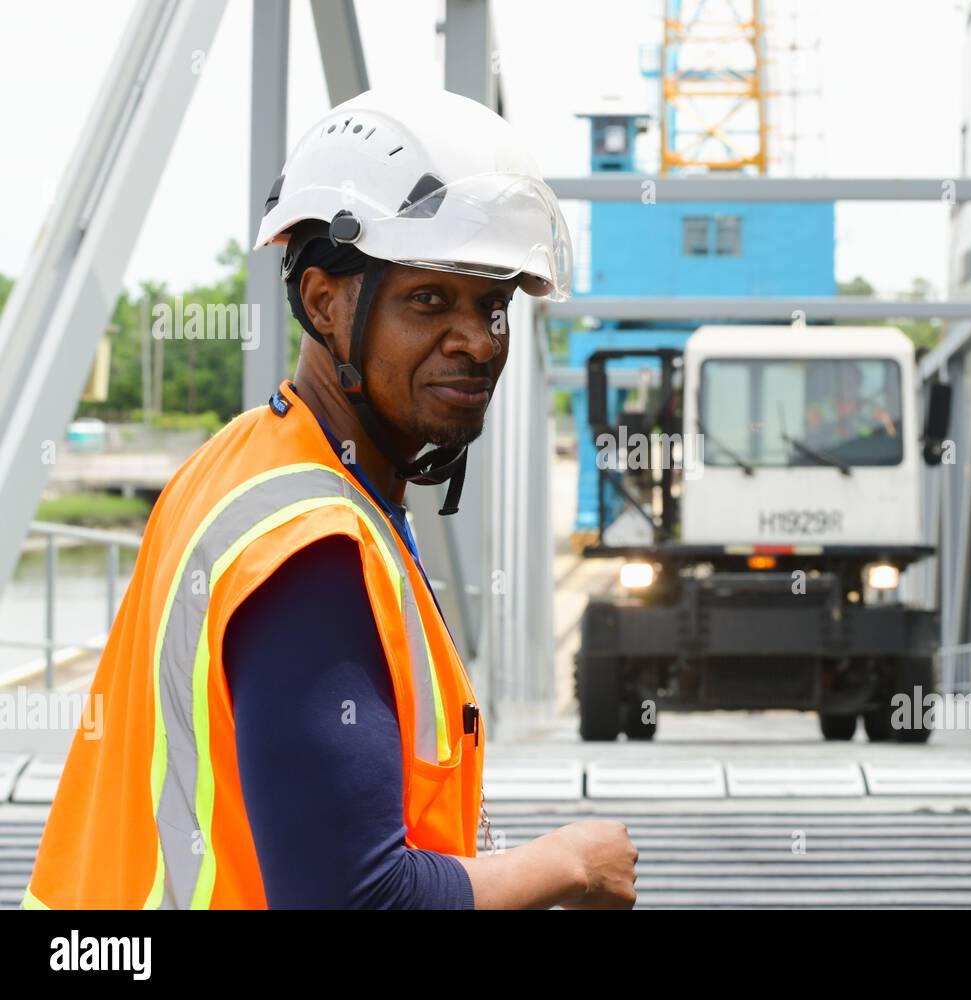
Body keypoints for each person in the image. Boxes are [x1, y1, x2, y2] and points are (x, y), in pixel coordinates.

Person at [24, 88, 637, 910]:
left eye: (493, 306)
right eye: (430, 300)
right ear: (323, 301)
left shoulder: (240, 460)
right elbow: (353, 900)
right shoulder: (310, 546)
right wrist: (570, 861)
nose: (477, 341)